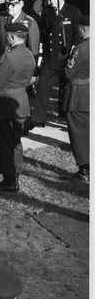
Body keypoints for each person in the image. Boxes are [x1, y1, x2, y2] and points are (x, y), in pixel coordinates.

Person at [0, 22, 35, 192]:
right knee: (15, 142)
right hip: (21, 101)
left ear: (13, 37)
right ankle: (14, 177)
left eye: (7, 35)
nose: (5, 38)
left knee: (4, 143)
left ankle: (9, 181)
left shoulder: (9, 57)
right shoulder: (29, 54)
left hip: (5, 104)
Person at [32, 0, 81, 127]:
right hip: (50, 57)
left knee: (66, 88)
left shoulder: (73, 12)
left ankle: (65, 116)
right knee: (42, 86)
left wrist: (73, 56)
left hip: (67, 57)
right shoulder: (47, 12)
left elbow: (77, 36)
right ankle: (38, 119)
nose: (50, 1)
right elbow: (44, 34)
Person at [61, 16, 89, 182]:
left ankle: (85, 168)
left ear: (83, 29)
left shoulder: (81, 48)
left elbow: (68, 72)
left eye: (78, 28)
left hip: (78, 95)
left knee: (78, 133)